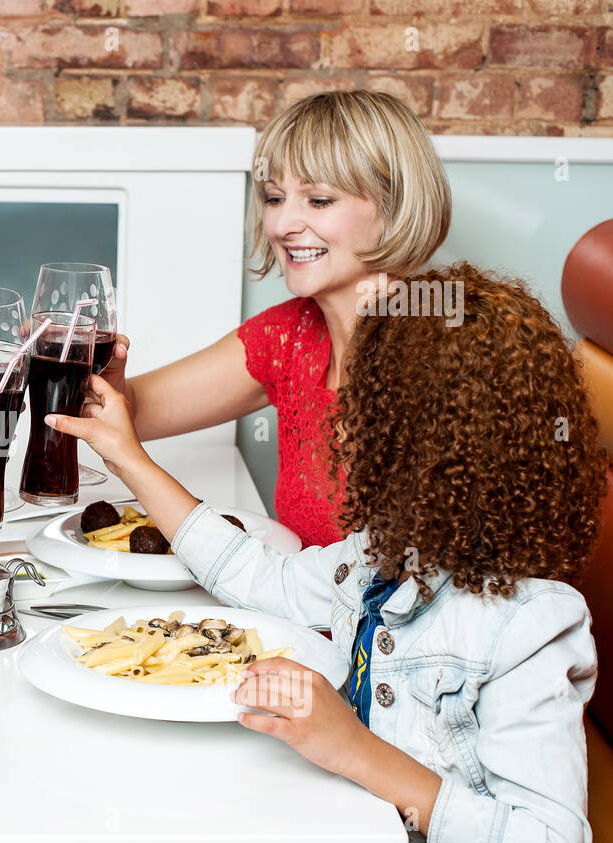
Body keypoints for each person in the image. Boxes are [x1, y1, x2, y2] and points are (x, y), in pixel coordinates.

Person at [49, 262, 606, 843]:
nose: (339, 424)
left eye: (365, 411)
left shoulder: (527, 627)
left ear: (427, 449)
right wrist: (128, 457)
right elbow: (262, 578)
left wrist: (350, 748)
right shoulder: (384, 552)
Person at [105, 90, 452, 547]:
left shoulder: (449, 360)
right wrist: (101, 376)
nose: (282, 224)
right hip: (297, 615)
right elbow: (134, 411)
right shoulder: (288, 336)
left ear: (395, 205)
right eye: (274, 198)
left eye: (319, 200)